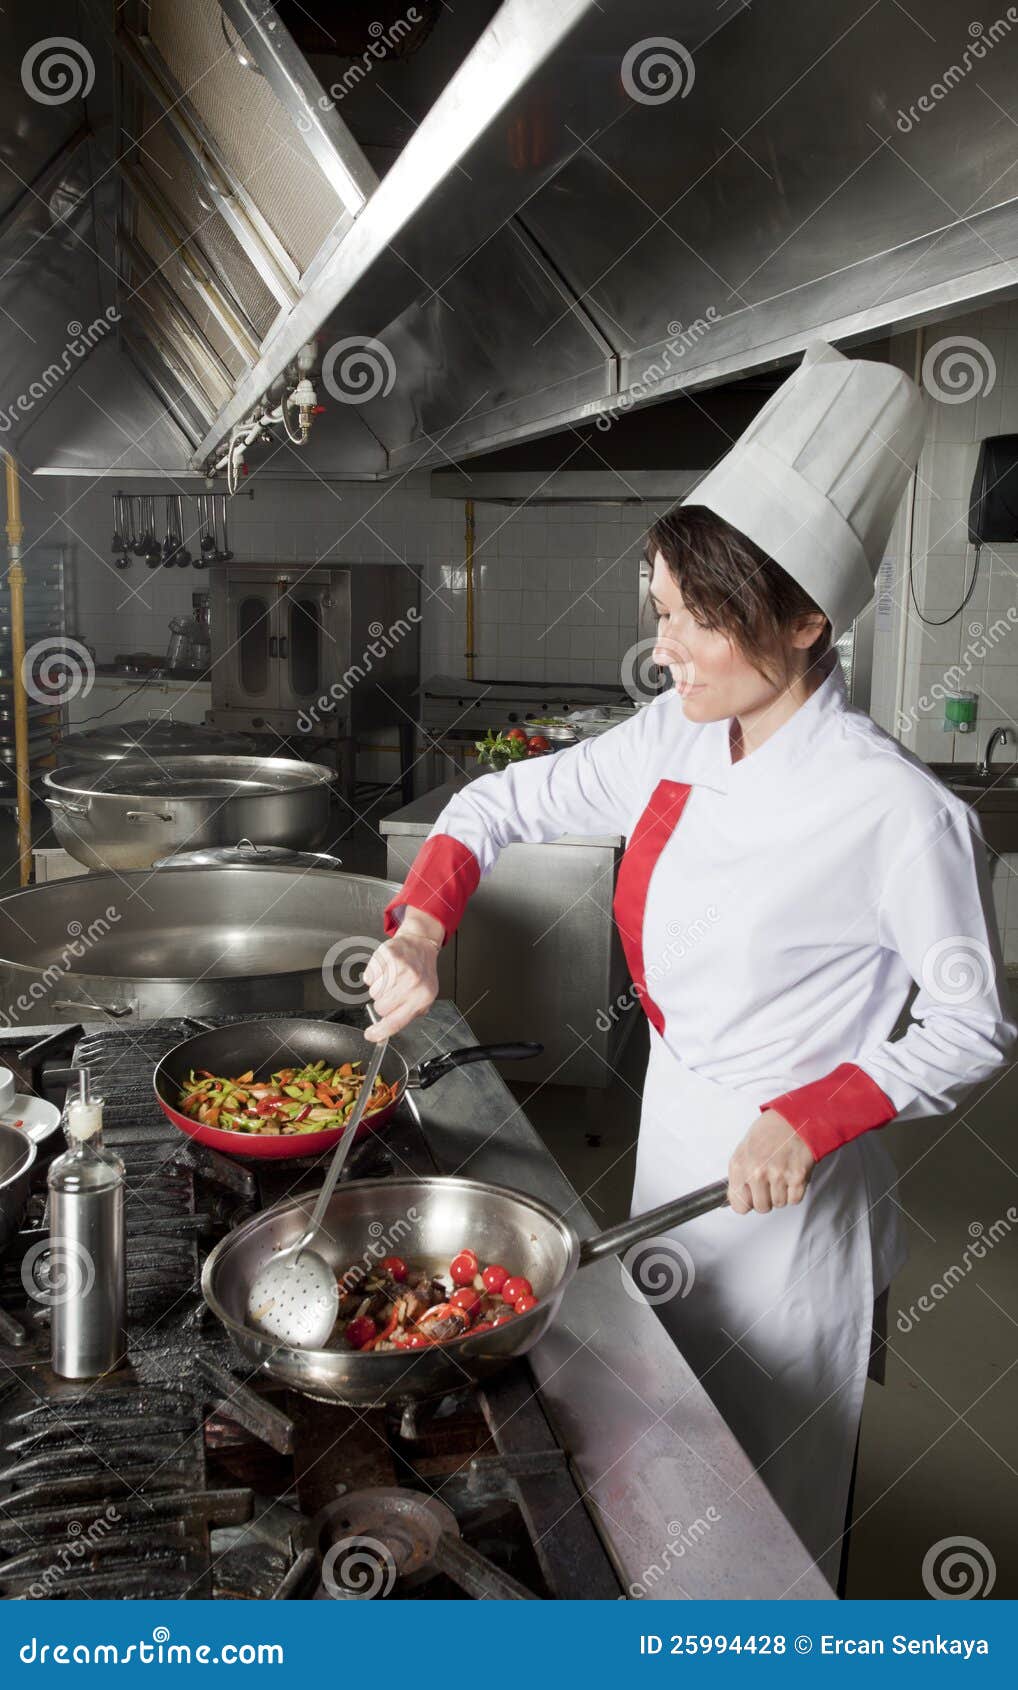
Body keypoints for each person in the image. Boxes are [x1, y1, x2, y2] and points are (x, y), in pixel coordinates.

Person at [362, 342, 1015, 1587]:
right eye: (659, 608)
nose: (665, 648)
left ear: (808, 619)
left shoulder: (896, 811)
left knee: (767, 1510)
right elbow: (492, 805)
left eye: (697, 619)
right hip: (670, 1145)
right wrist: (421, 926)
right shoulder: (672, 734)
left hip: (787, 1199)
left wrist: (811, 1115)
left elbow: (972, 1026)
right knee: (660, 1474)